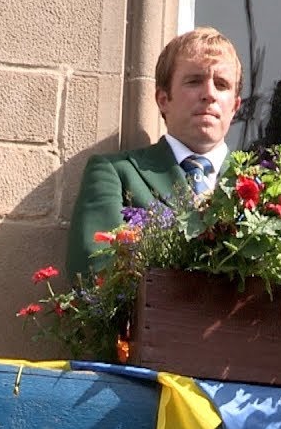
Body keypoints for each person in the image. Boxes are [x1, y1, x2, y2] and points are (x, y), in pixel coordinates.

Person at [66, 27, 242, 278]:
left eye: (222, 84)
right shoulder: (117, 173)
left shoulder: (263, 186)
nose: (209, 94)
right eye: (194, 81)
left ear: (235, 106)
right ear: (162, 99)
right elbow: (93, 271)